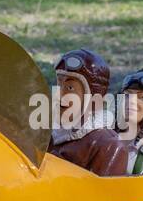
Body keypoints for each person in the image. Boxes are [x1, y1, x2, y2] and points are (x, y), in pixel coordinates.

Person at [48, 48, 132, 176]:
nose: (59, 95)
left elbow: (101, 193)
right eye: (59, 84)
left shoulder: (108, 146)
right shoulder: (52, 134)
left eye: (70, 88)